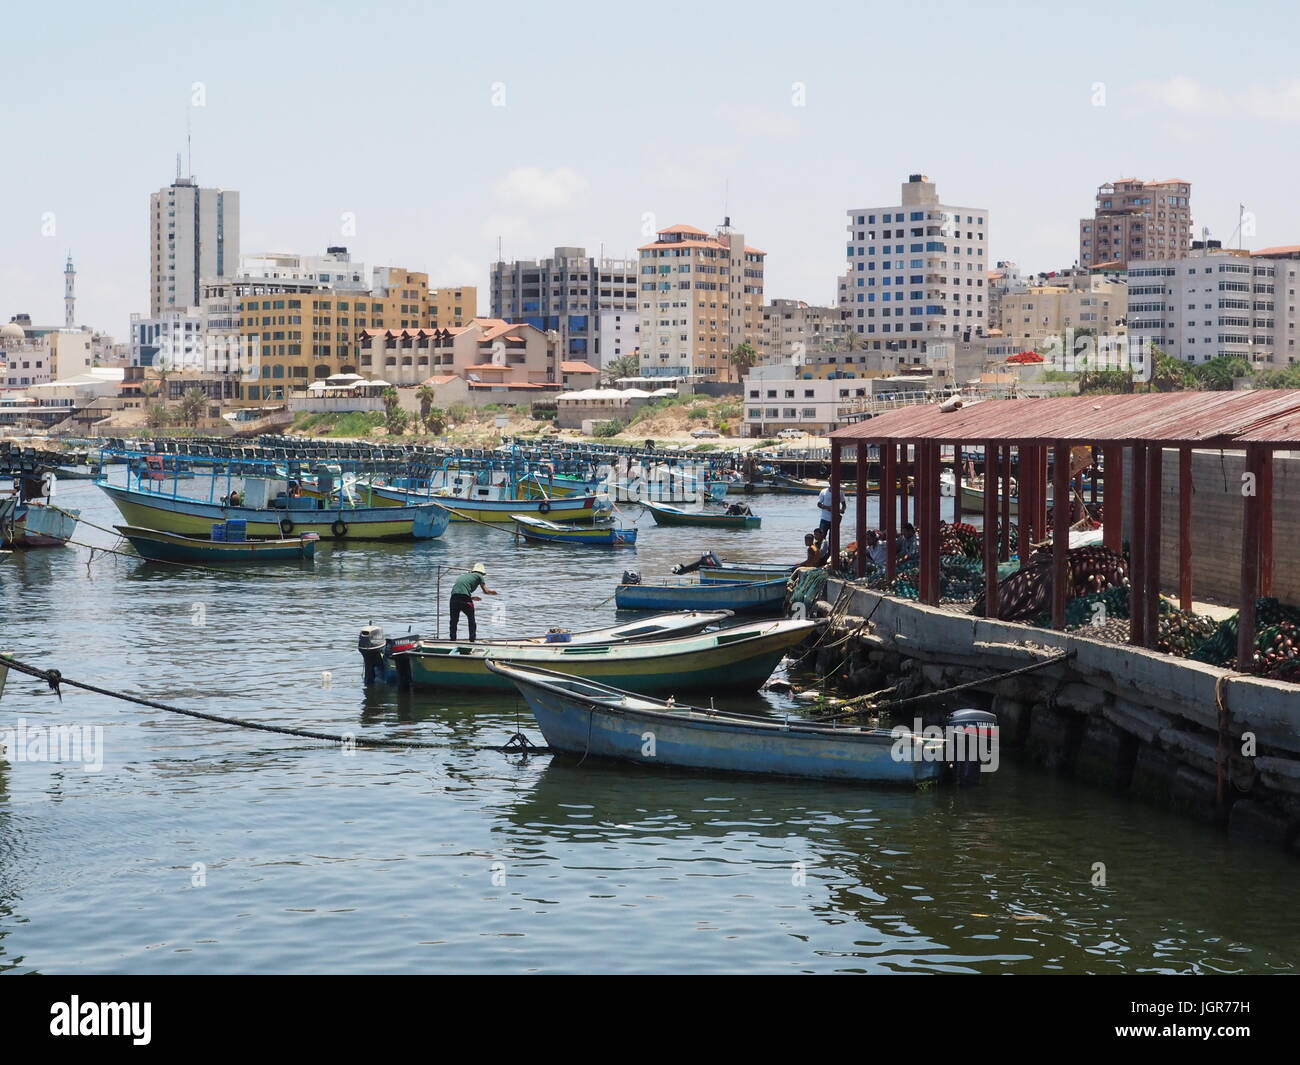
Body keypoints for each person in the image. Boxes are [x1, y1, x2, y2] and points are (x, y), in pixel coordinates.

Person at [449, 562, 497, 641]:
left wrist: (471, 598)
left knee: (453, 621)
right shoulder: (479, 576)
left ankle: (452, 639)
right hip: (464, 598)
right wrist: (494, 593)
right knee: (471, 619)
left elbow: (460, 592)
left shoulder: (463, 576)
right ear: (482, 572)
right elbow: (486, 591)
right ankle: (472, 640)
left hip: (453, 598)